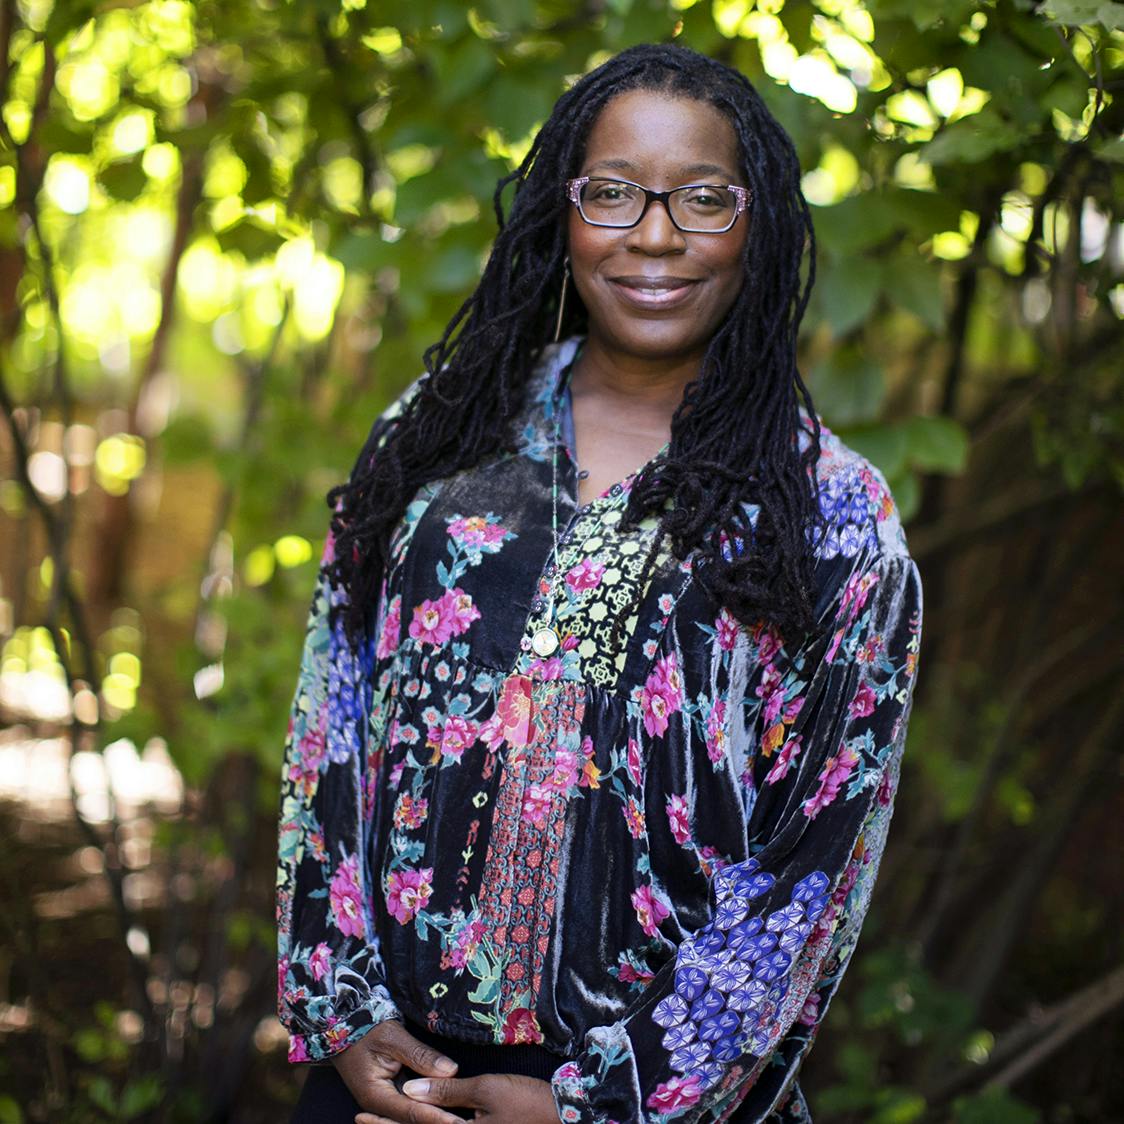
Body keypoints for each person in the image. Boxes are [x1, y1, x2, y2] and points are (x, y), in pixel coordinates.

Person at [276, 41, 923, 1124]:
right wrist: (341, 1007)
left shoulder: (830, 513)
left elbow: (811, 868)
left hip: (661, 1103)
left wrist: (607, 1104)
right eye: (613, 192)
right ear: (561, 213)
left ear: (757, 224)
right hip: (389, 1080)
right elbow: (328, 720)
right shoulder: (441, 436)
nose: (654, 235)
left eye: (702, 199)